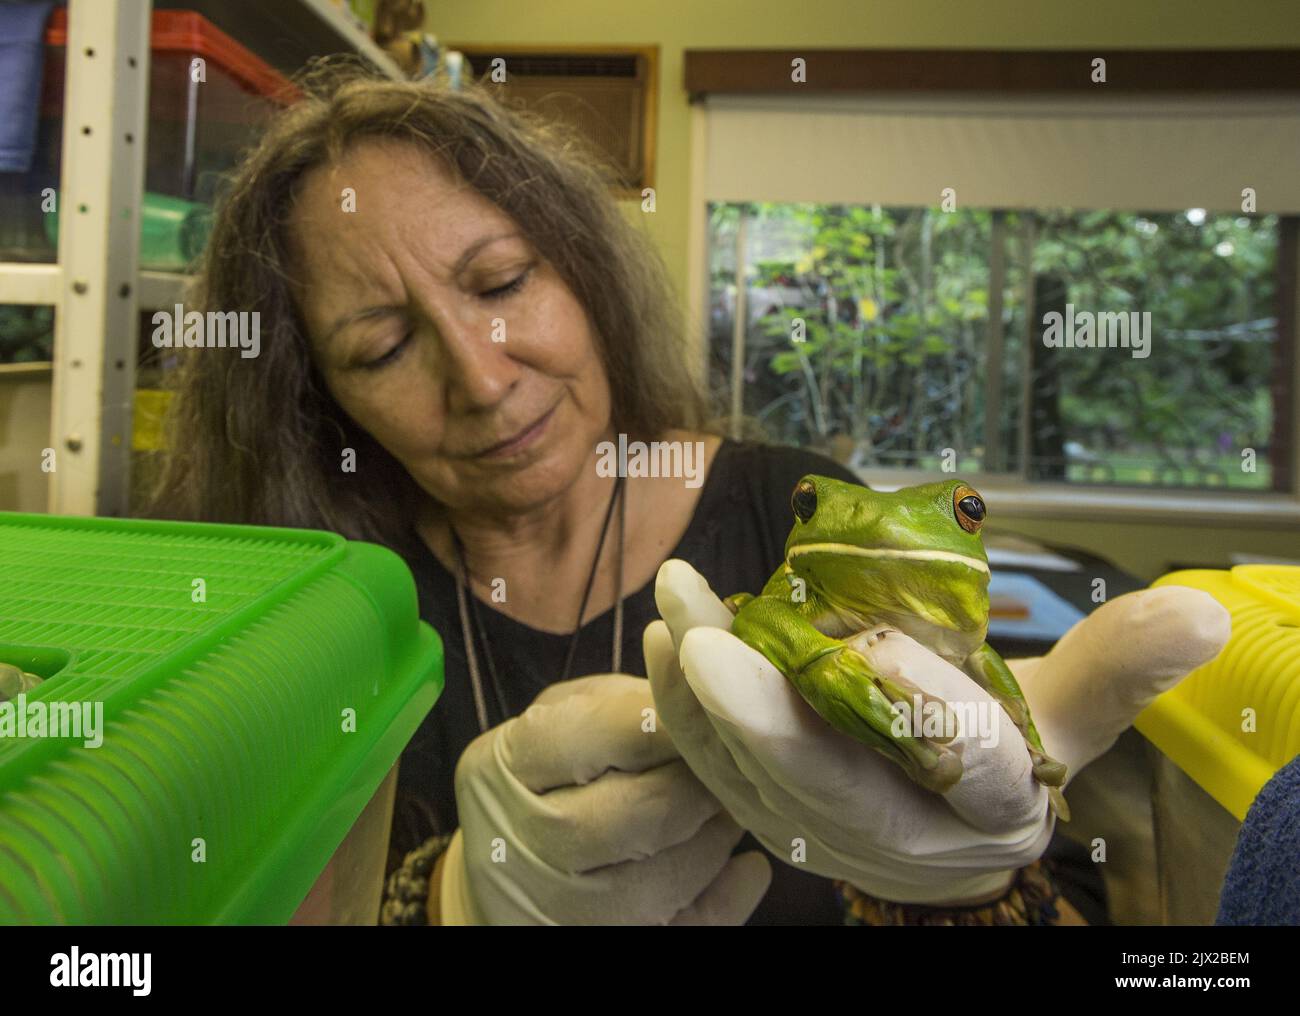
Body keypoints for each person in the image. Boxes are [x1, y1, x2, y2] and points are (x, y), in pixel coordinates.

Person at [144, 70, 1230, 926]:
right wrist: (449, 902)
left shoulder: (794, 512)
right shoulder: (328, 622)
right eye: (381, 345)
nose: (480, 377)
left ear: (584, 272)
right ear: (323, 407)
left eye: (503, 281)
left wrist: (963, 884)